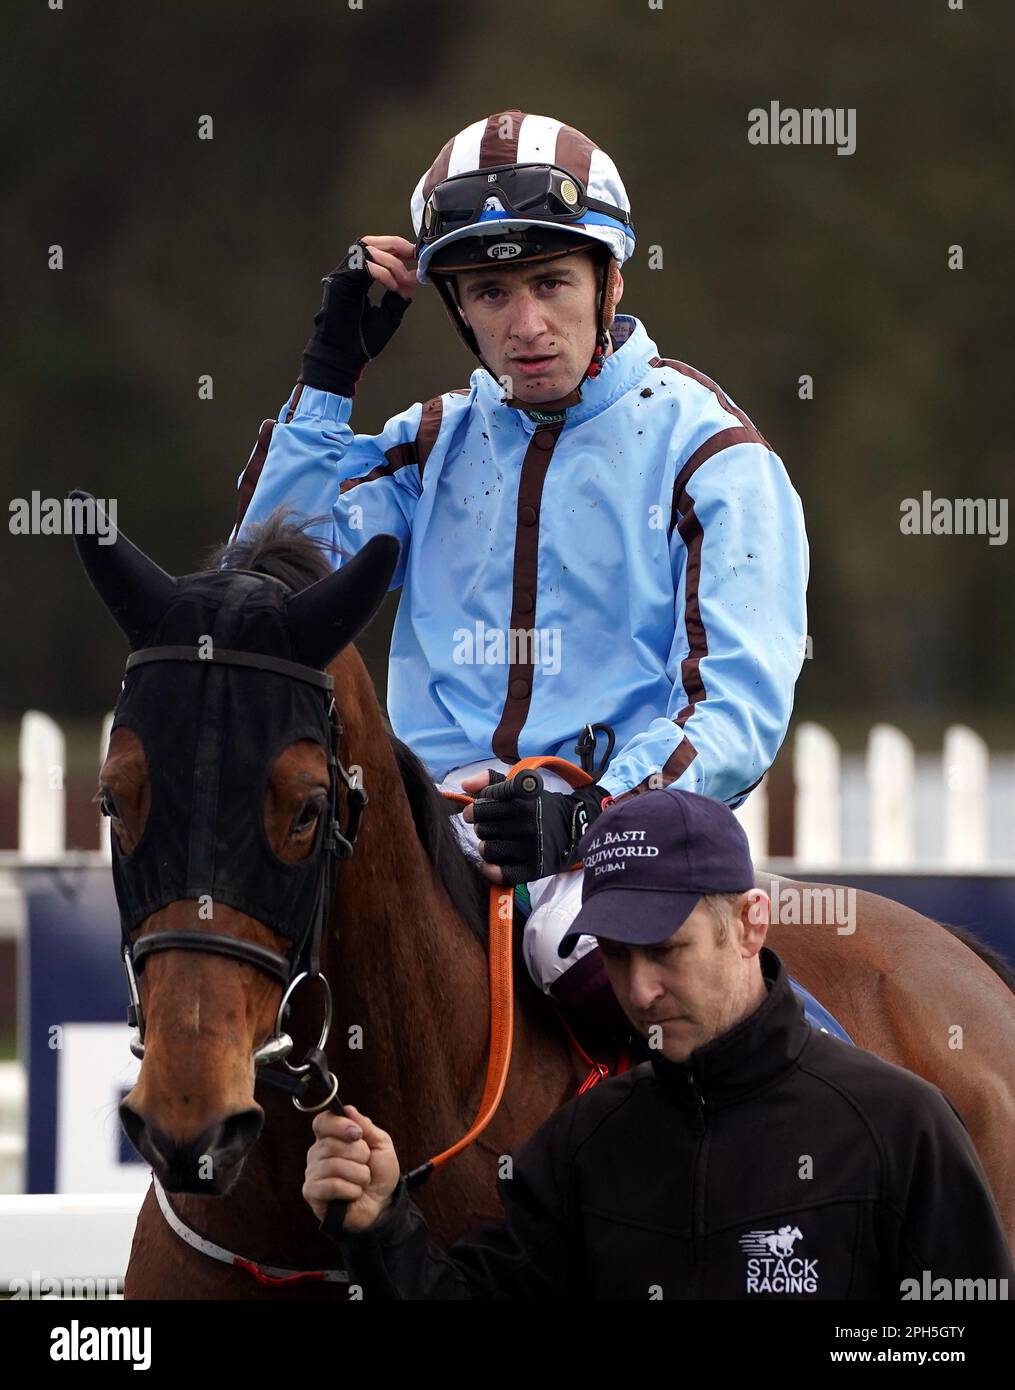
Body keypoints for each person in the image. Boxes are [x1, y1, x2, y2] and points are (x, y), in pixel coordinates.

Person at [232, 108, 809, 1033]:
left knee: (578, 953)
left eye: (550, 281)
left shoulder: (712, 454)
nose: (526, 326)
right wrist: (328, 376)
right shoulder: (429, 440)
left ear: (609, 281)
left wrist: (589, 819)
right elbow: (267, 588)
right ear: (456, 308)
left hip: (620, 840)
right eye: (491, 293)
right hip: (414, 831)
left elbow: (737, 709)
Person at [302, 790, 1014, 1300]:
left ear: (749, 924)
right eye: (614, 955)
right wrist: (381, 1221)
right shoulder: (581, 1142)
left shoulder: (904, 1125)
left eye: (665, 951)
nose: (638, 992)